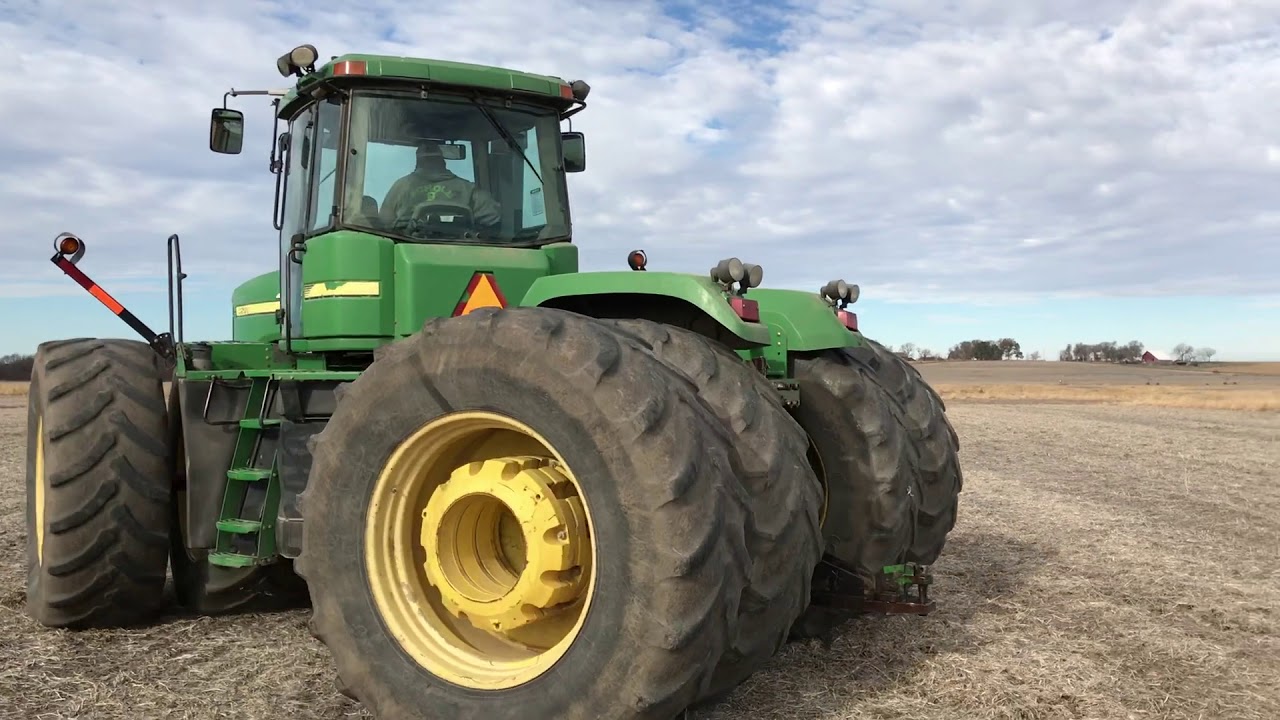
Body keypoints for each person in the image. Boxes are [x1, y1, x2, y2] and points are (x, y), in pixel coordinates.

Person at [379, 141, 503, 233]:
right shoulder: (468, 189)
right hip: (460, 251)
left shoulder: (401, 186)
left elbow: (384, 223)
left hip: (408, 248)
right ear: (443, 161)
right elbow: (492, 220)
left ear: (418, 162)